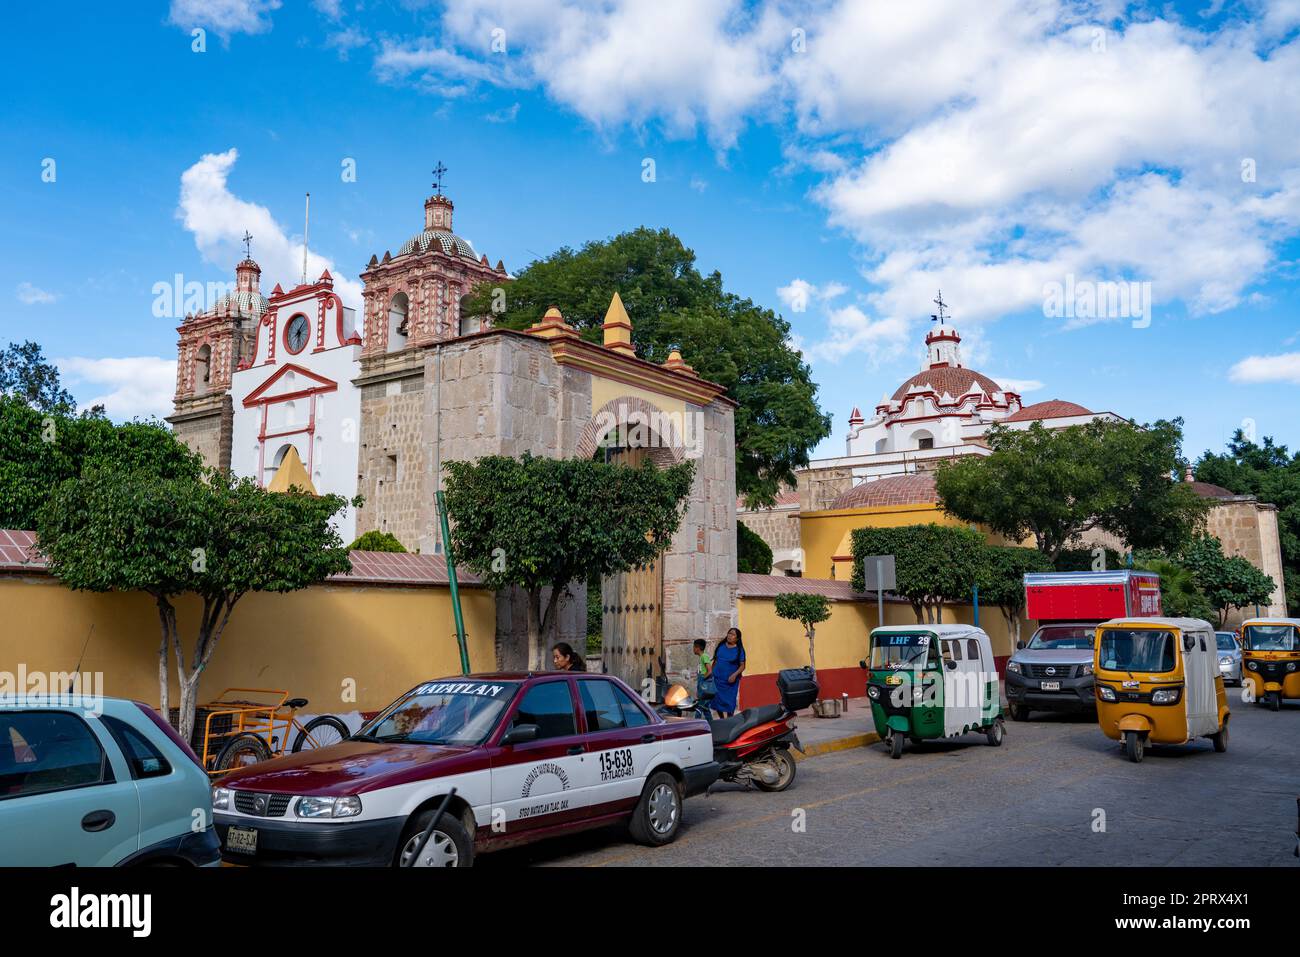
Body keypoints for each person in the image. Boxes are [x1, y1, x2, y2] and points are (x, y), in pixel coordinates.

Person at [709, 628, 746, 718]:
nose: (730, 636)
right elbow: (716, 661)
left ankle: (729, 720)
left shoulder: (739, 650)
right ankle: (722, 719)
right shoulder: (721, 646)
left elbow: (742, 666)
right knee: (717, 700)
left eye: (733, 634)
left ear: (737, 638)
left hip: (730, 681)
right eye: (729, 633)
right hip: (718, 679)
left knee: (730, 702)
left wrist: (734, 675)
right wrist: (711, 673)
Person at [693, 639, 715, 704]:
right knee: (704, 707)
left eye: (694, 647)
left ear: (697, 648)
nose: (693, 649)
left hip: (704, 685)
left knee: (701, 705)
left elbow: (710, 671)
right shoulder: (701, 657)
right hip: (702, 684)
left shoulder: (704, 656)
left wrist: (702, 679)